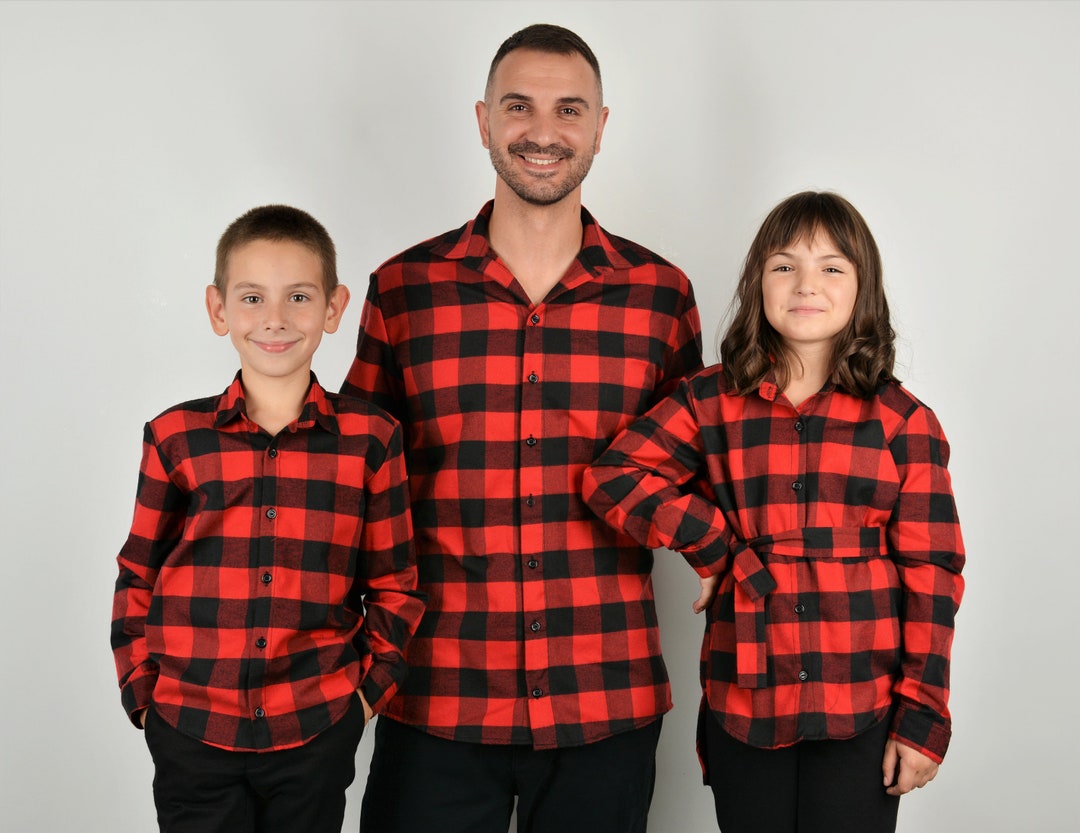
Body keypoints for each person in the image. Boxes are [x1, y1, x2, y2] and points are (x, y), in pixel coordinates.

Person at [341, 23, 703, 833]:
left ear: (602, 126)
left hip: (603, 696)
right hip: (434, 692)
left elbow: (690, 479)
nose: (543, 131)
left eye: (569, 109)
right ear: (482, 121)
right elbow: (352, 495)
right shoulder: (403, 291)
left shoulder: (662, 298)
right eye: (519, 106)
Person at [582, 191, 965, 833]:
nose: (806, 284)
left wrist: (923, 717)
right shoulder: (708, 400)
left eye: (832, 267)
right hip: (744, 699)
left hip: (862, 706)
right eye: (784, 265)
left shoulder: (904, 423)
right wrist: (712, 541)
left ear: (862, 288)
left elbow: (934, 575)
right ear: (757, 282)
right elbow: (614, 477)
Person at [110, 204, 425, 833]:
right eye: (252, 298)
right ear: (218, 308)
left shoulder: (371, 438)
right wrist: (144, 697)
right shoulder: (176, 437)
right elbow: (137, 573)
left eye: (299, 297)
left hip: (314, 728)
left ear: (334, 309)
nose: (275, 319)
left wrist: (363, 700)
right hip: (190, 727)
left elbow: (395, 584)